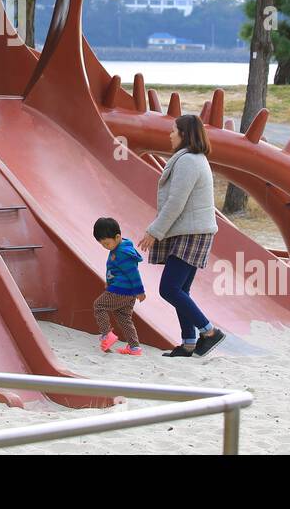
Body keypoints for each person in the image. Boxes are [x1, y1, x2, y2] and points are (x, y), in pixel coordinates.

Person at [138, 114, 227, 358]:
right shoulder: (194, 159)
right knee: (180, 290)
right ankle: (188, 342)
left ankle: (208, 332)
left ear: (185, 134)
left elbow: (176, 202)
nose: (170, 134)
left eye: (173, 130)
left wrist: (154, 232)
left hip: (192, 232)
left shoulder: (188, 161)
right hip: (191, 230)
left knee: (169, 288)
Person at [92, 217, 145, 356]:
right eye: (102, 244)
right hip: (127, 292)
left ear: (117, 237)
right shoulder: (120, 247)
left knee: (99, 306)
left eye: (107, 243)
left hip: (120, 290)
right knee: (124, 317)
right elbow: (115, 269)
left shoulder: (122, 253)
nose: (105, 246)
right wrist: (109, 282)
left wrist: (140, 291)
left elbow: (133, 273)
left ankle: (106, 334)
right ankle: (134, 347)